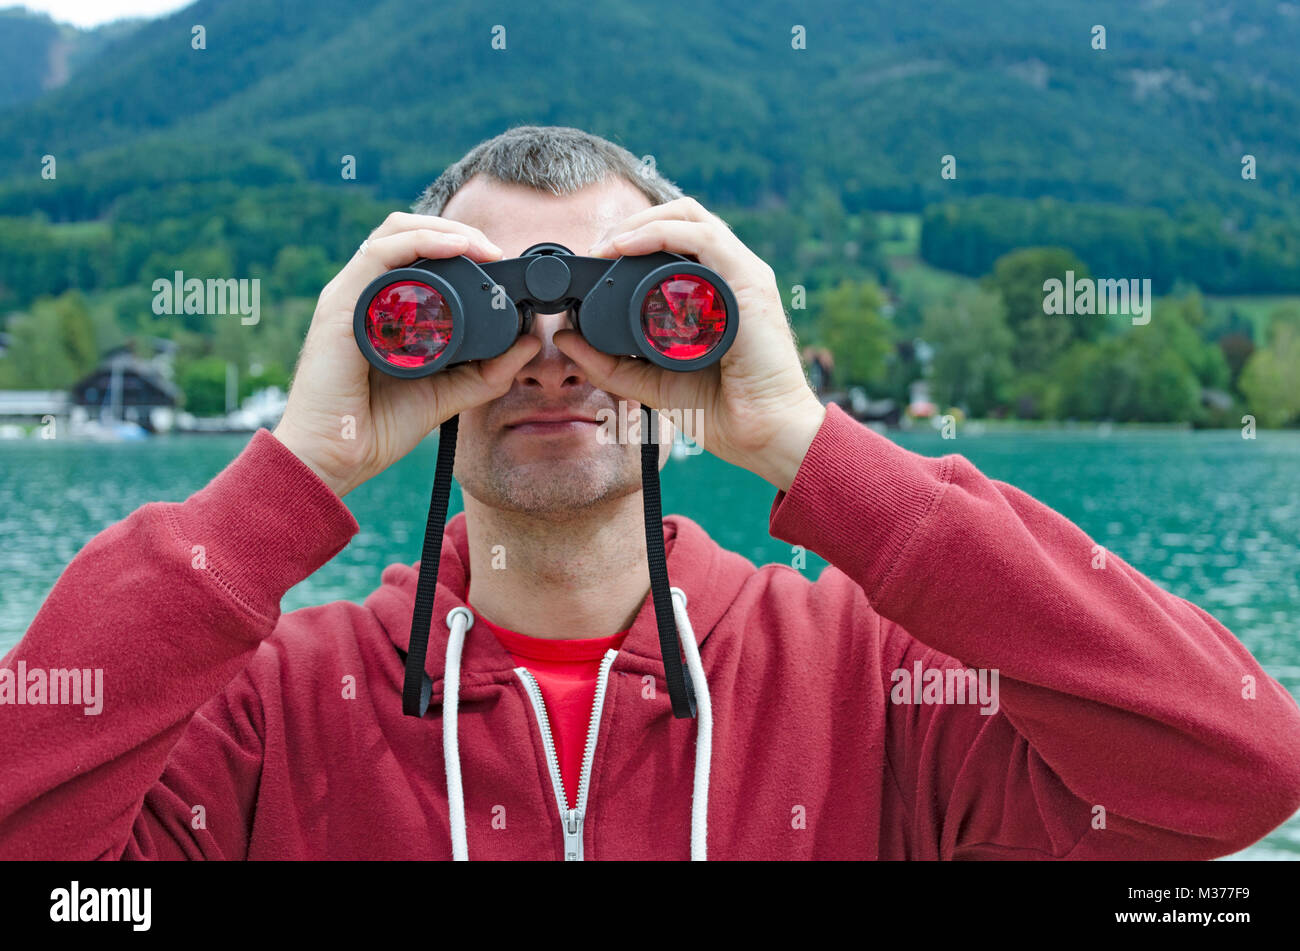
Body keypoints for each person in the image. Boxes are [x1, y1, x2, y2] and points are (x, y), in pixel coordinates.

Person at [3, 126, 1299, 860]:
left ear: (708, 323)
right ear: (403, 329)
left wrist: (806, 442)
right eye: (482, 308)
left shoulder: (879, 690)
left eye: (622, 304)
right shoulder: (272, 711)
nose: (550, 354)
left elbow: (1241, 765)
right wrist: (297, 469)